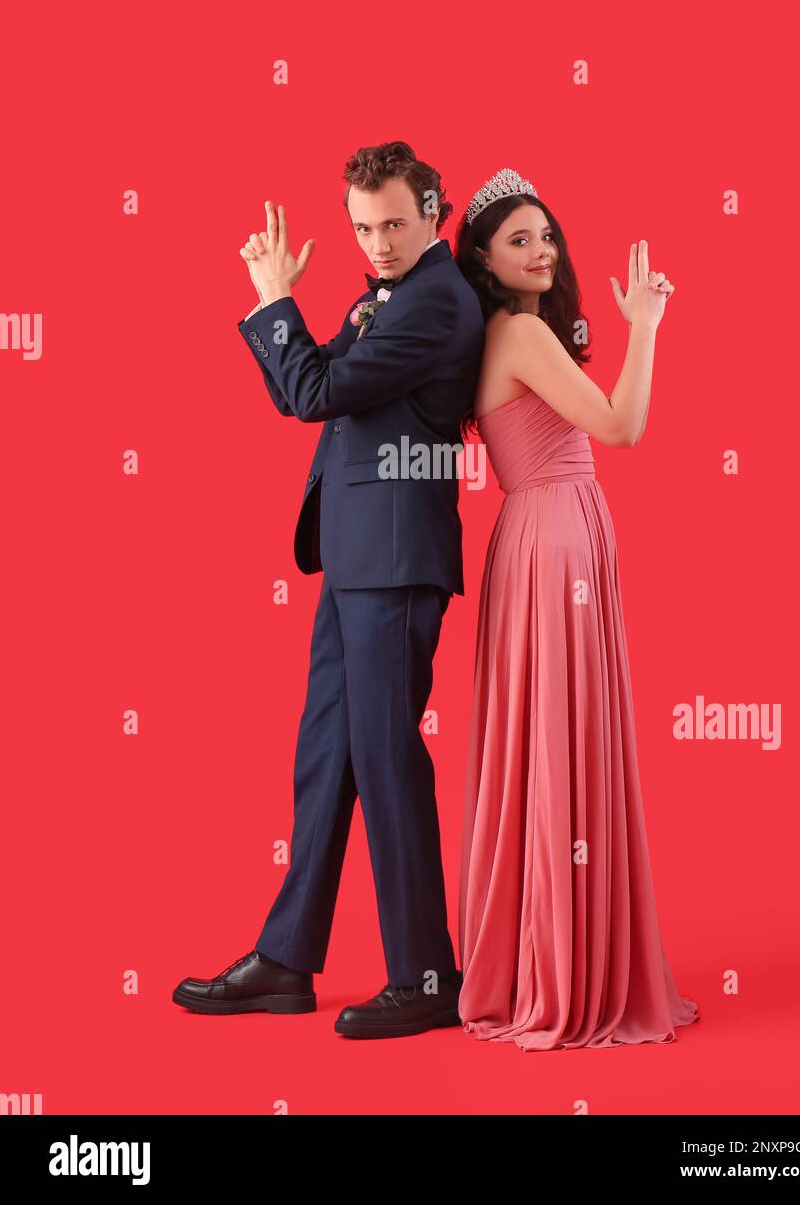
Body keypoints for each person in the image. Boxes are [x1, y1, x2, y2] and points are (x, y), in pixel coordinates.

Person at [172, 142, 485, 1038]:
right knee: (327, 761)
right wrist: (292, 316)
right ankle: (285, 960)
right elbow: (314, 385)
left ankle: (427, 974)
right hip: (356, 556)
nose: (377, 243)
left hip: (396, 558)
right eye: (362, 227)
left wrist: (276, 301)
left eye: (393, 223)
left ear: (434, 211)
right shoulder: (390, 293)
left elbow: (313, 391)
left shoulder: (435, 303)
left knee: (386, 757)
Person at [453, 167, 699, 1050]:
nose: (541, 250)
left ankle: (540, 955)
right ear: (483, 259)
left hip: (538, 536)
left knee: (546, 738)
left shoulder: (500, 333)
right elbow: (622, 427)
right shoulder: (519, 330)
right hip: (558, 537)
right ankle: (567, 970)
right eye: (518, 240)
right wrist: (646, 331)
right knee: (561, 738)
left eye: (546, 235)